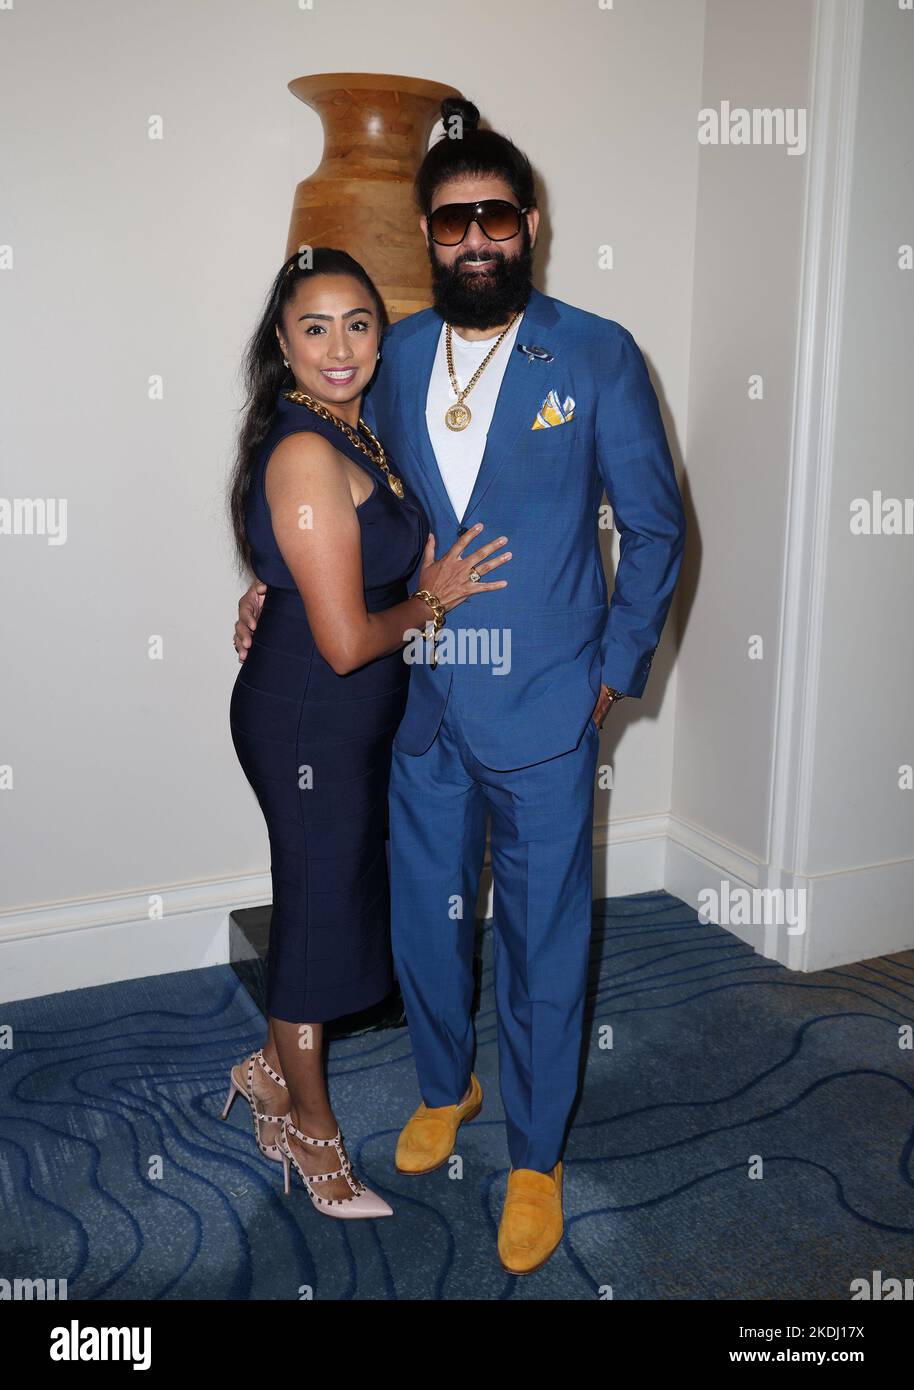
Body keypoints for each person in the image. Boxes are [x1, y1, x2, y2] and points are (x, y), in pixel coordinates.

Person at [236, 98, 686, 1271]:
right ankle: (447, 1086)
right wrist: (272, 588)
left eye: (492, 217)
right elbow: (349, 502)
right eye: (449, 224)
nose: (471, 239)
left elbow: (652, 526)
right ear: (428, 236)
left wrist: (613, 674)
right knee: (427, 924)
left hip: (545, 705)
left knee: (541, 940)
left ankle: (534, 1155)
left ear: (526, 225)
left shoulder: (595, 354)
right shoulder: (395, 357)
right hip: (419, 700)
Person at [224, 246, 512, 1220]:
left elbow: (321, 570)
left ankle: (269, 1068)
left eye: (357, 323)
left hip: (344, 713)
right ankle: (312, 1131)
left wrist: (270, 587)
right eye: (315, 326)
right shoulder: (310, 448)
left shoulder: (350, 429)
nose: (339, 346)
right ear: (282, 342)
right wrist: (428, 600)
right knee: (313, 913)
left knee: (345, 894)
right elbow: (347, 640)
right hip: (312, 710)